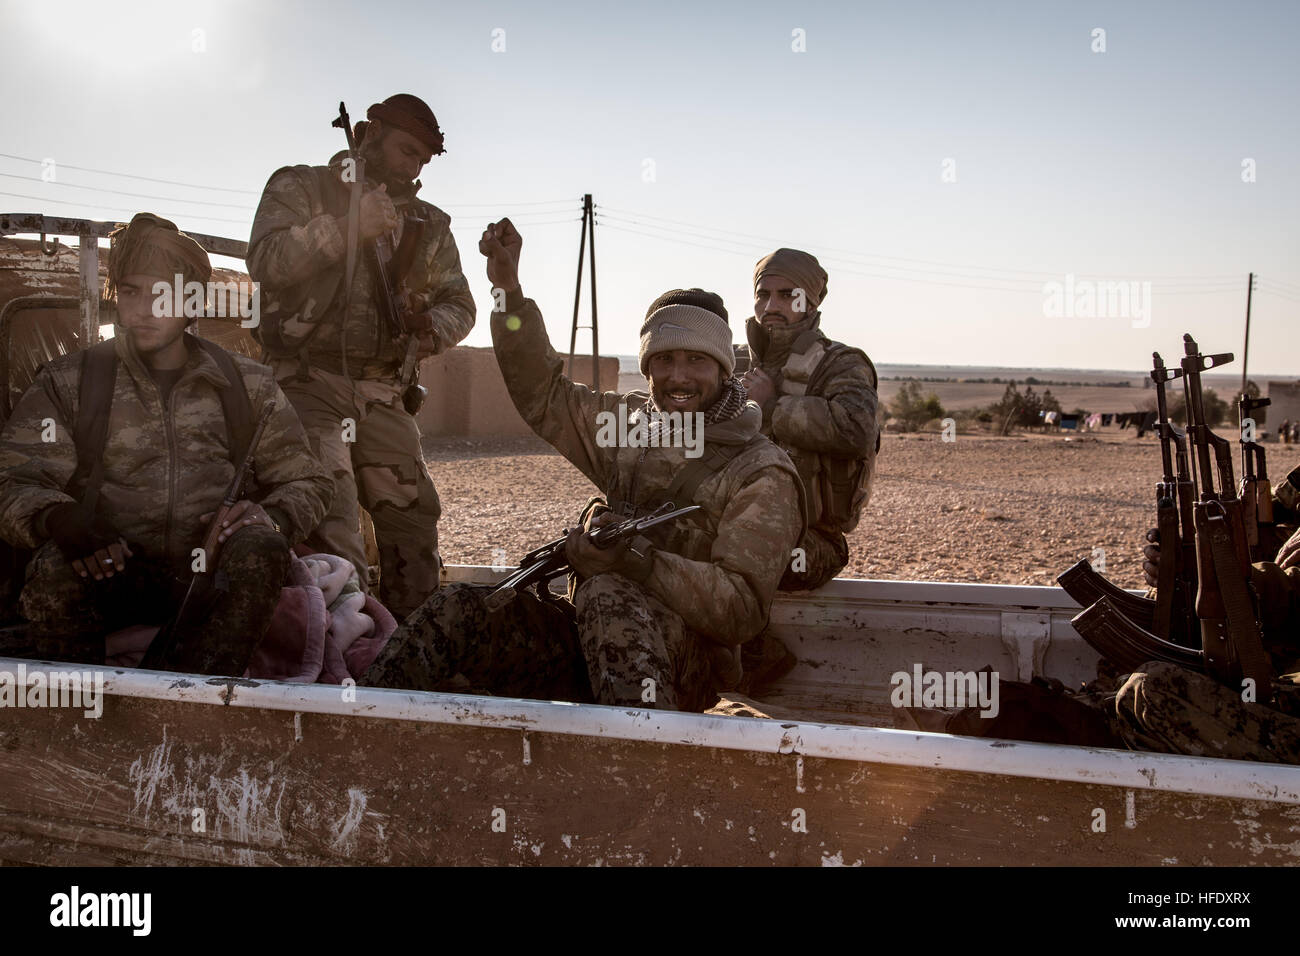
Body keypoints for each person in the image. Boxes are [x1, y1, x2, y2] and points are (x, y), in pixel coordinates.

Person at [366, 219, 806, 712]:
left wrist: (637, 560)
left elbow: (740, 610)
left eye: (696, 362)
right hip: (589, 641)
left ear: (724, 368)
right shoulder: (629, 426)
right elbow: (543, 394)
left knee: (607, 593)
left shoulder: (761, 470)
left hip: (685, 667)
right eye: (663, 361)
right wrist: (507, 291)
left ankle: (638, 768)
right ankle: (354, 736)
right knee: (461, 609)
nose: (678, 377)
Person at [0, 214, 332, 673]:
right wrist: (59, 518)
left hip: (210, 575)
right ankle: (82, 722)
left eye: (161, 294)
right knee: (54, 570)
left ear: (191, 300)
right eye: (131, 291)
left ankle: (198, 711)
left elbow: (310, 480)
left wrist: (270, 516)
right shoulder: (69, 382)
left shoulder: (247, 385)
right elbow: (15, 480)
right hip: (107, 573)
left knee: (262, 551)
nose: (141, 310)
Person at [247, 93, 476, 620]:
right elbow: (266, 260)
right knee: (335, 525)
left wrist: (428, 330)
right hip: (307, 382)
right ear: (369, 134)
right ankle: (342, 662)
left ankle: (409, 655)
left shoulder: (427, 223)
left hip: (383, 393)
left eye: (422, 158)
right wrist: (348, 230)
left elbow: (459, 303)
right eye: (404, 150)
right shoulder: (301, 186)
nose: (412, 166)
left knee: (414, 528)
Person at [736, 248, 880, 694]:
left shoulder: (841, 363)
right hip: (737, 525)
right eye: (764, 294)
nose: (772, 305)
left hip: (813, 542)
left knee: (732, 550)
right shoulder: (736, 363)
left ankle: (753, 657)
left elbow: (855, 427)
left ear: (812, 301)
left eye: (787, 294)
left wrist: (773, 405)